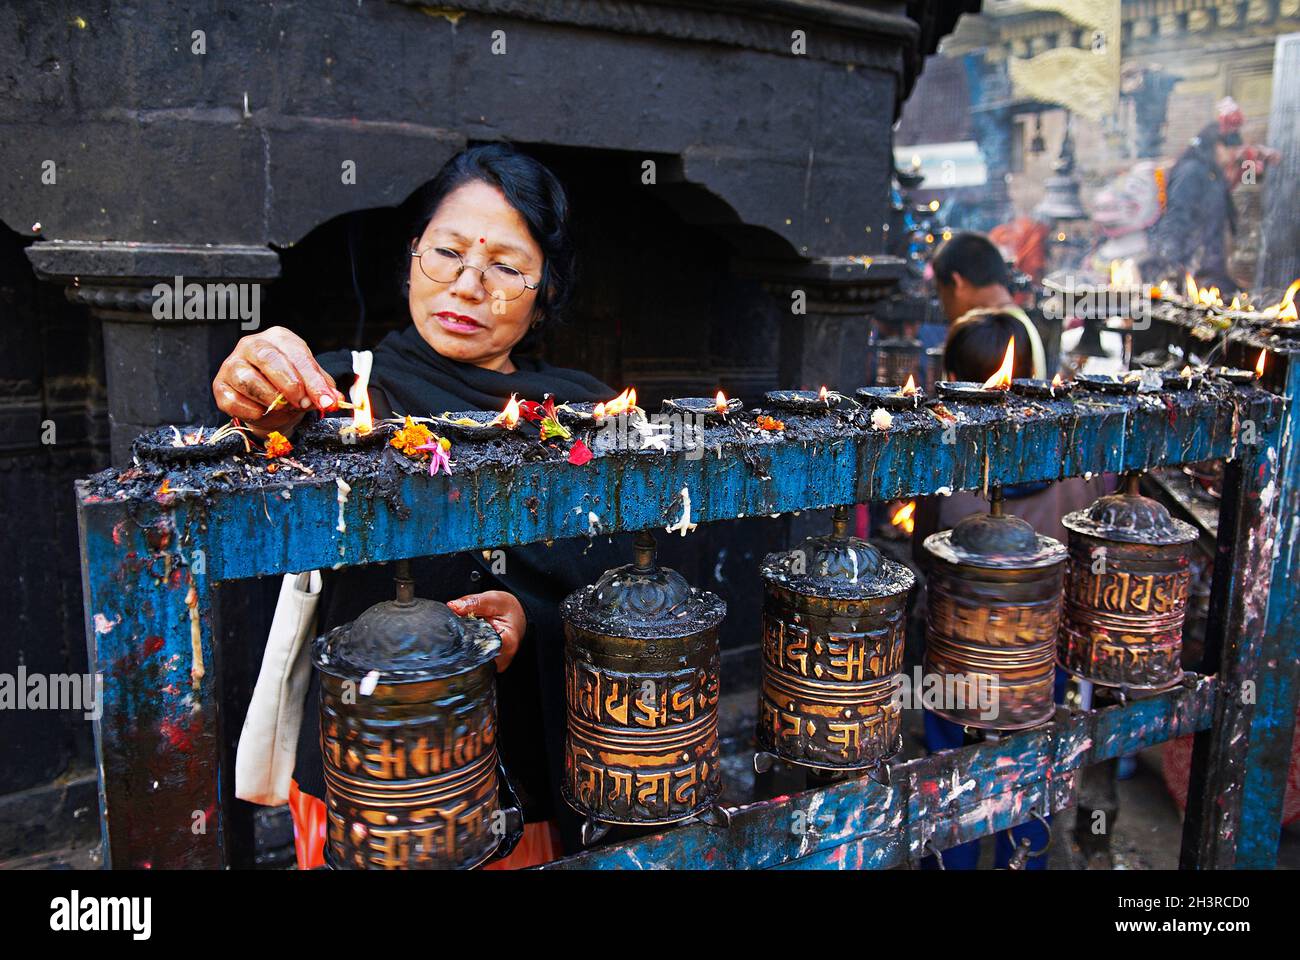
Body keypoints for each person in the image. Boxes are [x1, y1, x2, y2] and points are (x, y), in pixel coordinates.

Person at [213, 143, 626, 867]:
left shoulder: (584, 414)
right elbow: (257, 429)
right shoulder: (338, 397)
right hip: (363, 782)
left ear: (545, 292)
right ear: (412, 256)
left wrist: (530, 618)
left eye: (505, 266)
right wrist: (253, 392)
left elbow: (627, 596)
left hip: (512, 783)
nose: (468, 286)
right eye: (447, 253)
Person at [1147, 106, 1244, 292]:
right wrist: (1171, 261)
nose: (1233, 155)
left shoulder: (1213, 175)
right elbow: (1177, 214)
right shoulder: (1191, 171)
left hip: (1209, 266)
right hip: (1191, 264)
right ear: (1216, 146)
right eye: (1230, 148)